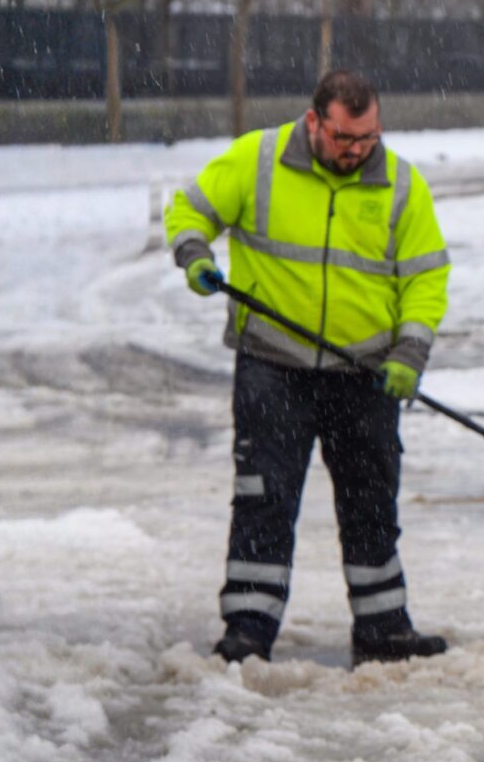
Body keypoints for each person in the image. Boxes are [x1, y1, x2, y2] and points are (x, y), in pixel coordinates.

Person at [165, 69, 452, 668]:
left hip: (365, 372)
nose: (357, 150)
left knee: (372, 501)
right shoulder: (259, 159)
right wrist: (194, 255)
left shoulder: (400, 184)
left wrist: (409, 354)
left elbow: (425, 276)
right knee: (264, 498)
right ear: (315, 121)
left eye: (368, 137)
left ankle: (382, 628)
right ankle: (248, 630)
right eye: (346, 138)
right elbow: (189, 209)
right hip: (275, 365)